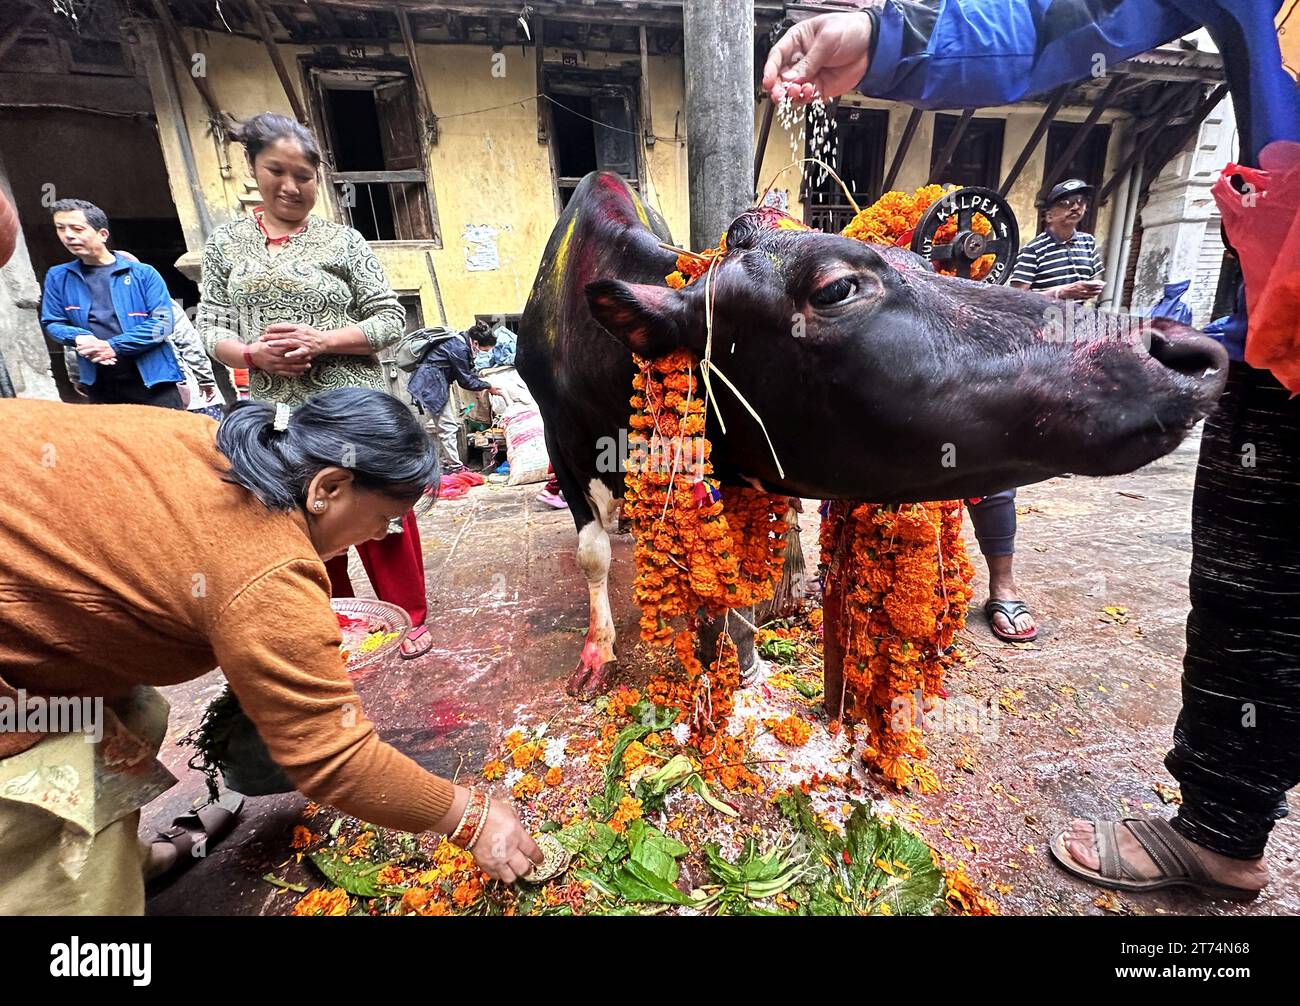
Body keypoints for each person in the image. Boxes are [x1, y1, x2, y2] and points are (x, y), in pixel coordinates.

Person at [764, 1, 1297, 900]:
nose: (1071, 211)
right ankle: (1222, 828)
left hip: (1141, 326)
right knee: (1253, 594)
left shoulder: (956, 265)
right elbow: (1075, 15)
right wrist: (894, 39)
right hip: (1287, 335)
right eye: (1064, 205)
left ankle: (999, 586)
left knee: (985, 453)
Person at [0, 388, 541, 914]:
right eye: (383, 519)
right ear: (328, 486)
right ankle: (75, 888)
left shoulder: (228, 440)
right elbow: (334, 759)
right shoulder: (268, 567)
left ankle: (131, 859)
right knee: (51, 797)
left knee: (135, 712)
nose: (380, 537)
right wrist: (471, 817)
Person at [197, 113, 433, 659]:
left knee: (380, 505)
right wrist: (253, 354)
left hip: (349, 401)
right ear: (252, 169)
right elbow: (210, 326)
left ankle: (412, 617)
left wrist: (322, 341)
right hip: (277, 410)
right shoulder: (228, 244)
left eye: (304, 175)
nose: (290, 186)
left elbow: (389, 320)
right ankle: (334, 619)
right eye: (276, 171)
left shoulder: (342, 242)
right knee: (302, 514)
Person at [39, 199, 183, 408]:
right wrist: (80, 337)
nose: (68, 235)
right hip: (99, 380)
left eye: (77, 228)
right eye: (61, 228)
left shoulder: (143, 273)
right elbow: (52, 322)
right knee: (111, 440)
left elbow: (162, 324)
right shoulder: (58, 276)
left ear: (103, 234)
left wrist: (113, 346)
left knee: (169, 436)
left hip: (154, 379)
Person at [408, 320, 512, 473]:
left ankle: (447, 463)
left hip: (436, 381)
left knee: (446, 425)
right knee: (447, 426)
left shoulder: (461, 343)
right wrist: (488, 387)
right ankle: (455, 467)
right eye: (483, 350)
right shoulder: (459, 348)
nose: (483, 353)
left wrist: (482, 384)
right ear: (476, 343)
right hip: (431, 384)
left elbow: (469, 373)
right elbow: (465, 380)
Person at [1009, 179, 1107, 301]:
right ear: (1049, 216)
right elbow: (1017, 297)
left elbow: (1096, 277)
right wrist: (1059, 293)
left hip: (1076, 317)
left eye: (1080, 201)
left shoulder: (1088, 242)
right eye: (1066, 203)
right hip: (1041, 317)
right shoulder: (1033, 250)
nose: (1075, 207)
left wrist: (1093, 287)